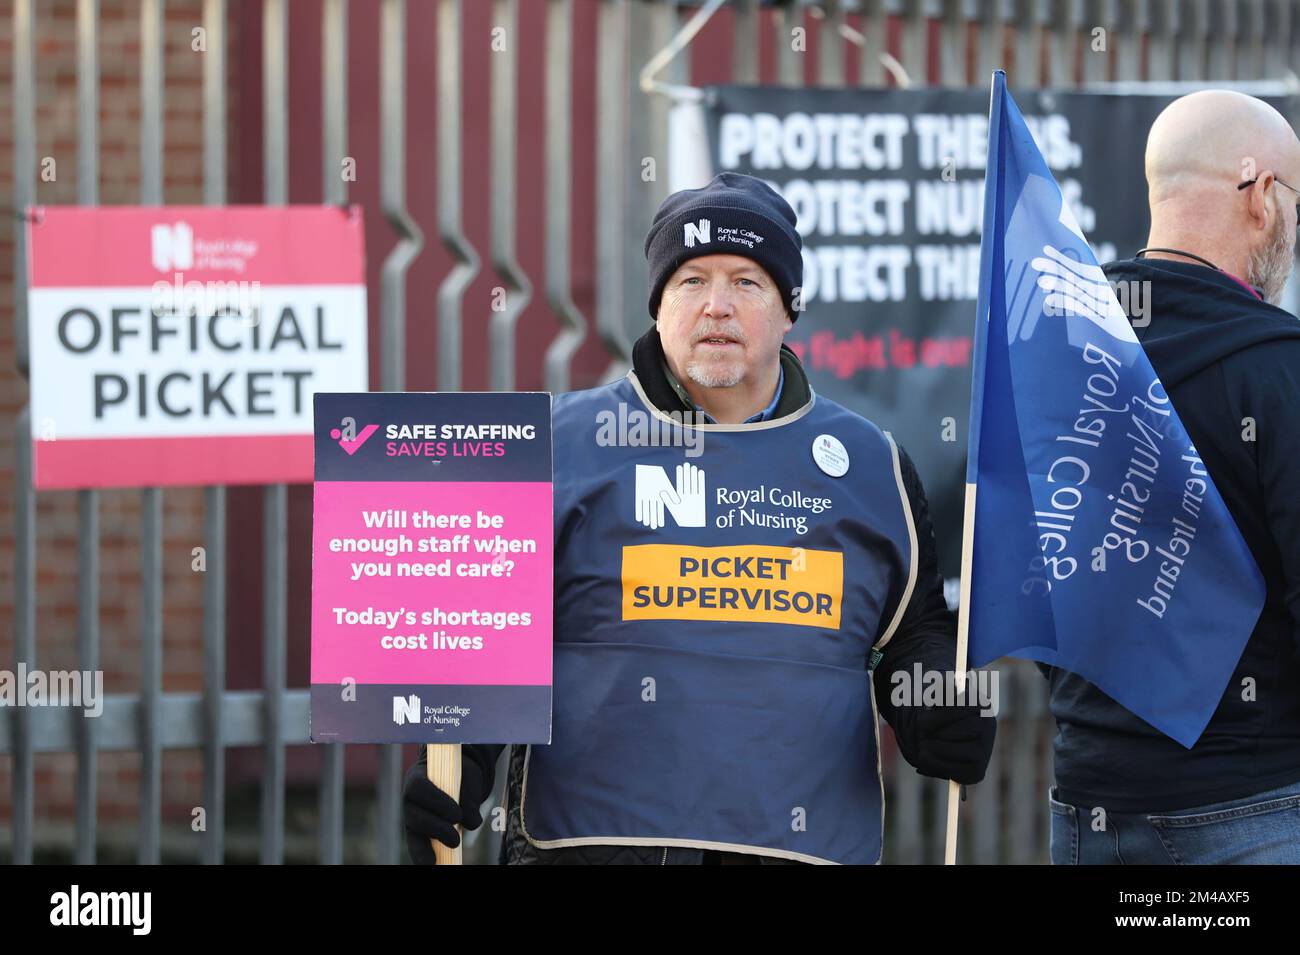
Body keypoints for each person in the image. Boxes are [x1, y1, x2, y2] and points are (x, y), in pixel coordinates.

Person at [403, 172, 995, 865]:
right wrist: (456, 761)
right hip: (588, 848)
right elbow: (491, 635)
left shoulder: (871, 464)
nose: (716, 305)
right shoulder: (561, 445)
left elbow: (913, 630)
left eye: (747, 281)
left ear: (787, 309)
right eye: (691, 281)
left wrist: (937, 703)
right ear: (658, 305)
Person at [1045, 90, 1300, 864]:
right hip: (1253, 808)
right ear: (1261, 198)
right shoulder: (1280, 367)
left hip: (1087, 804)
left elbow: (1026, 571)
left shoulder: (1059, 354)